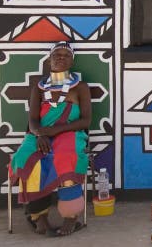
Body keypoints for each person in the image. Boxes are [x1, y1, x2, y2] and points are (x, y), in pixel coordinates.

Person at [9, 41, 92, 236]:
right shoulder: (38, 88)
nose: (61, 58)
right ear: (49, 60)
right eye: (57, 55)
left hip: (70, 133)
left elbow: (86, 121)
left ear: (72, 61)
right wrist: (39, 135)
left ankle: (71, 217)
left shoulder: (80, 87)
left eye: (66, 55)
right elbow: (32, 120)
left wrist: (54, 131)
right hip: (40, 134)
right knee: (26, 159)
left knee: (66, 157)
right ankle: (39, 216)